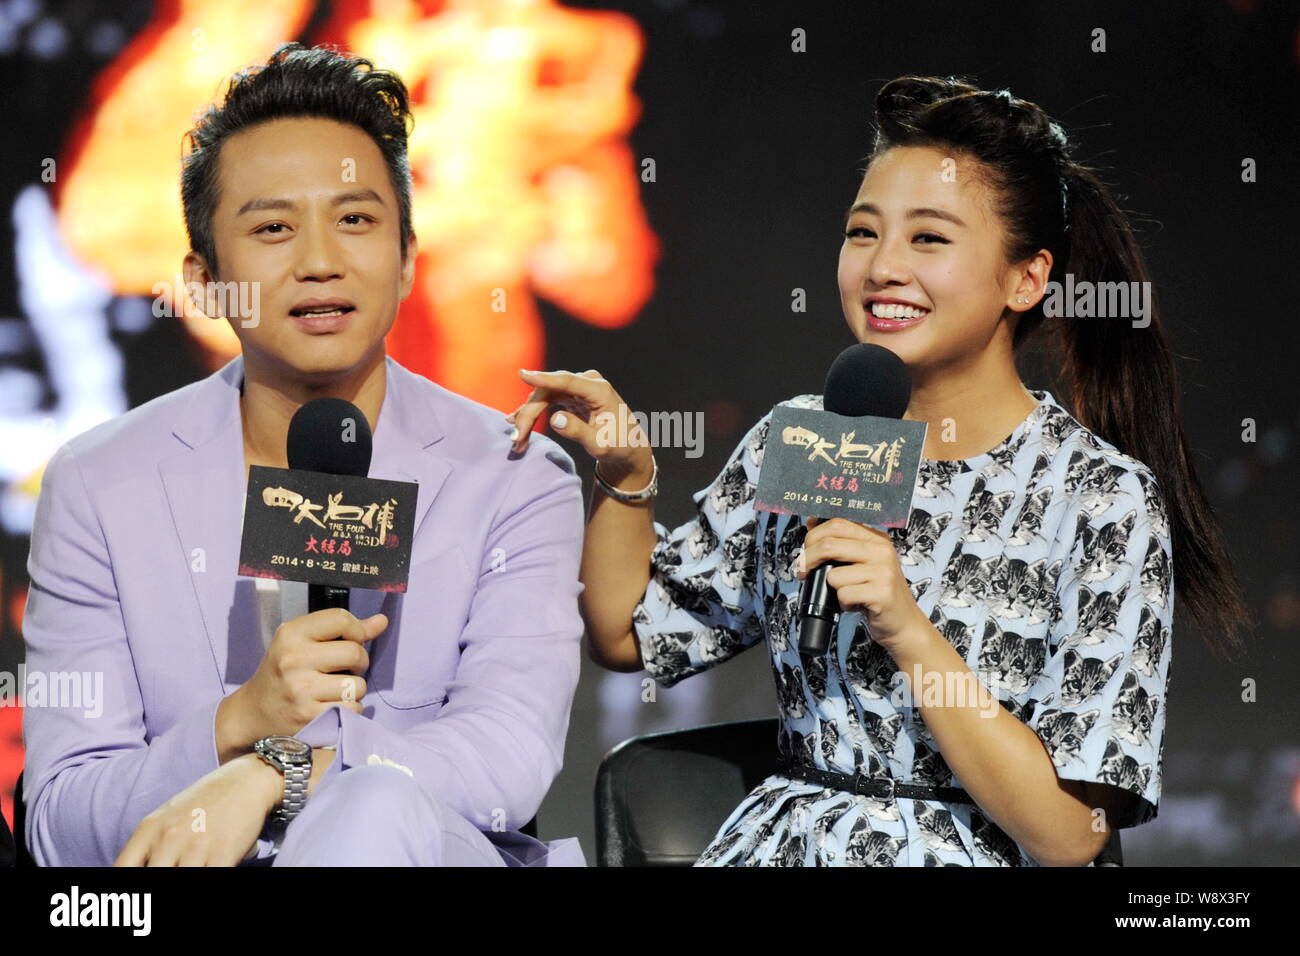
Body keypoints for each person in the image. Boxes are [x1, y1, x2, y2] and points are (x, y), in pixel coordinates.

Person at [508, 75, 1251, 866]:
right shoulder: (804, 436)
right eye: (863, 233)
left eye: (927, 239)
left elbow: (1072, 835)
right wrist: (627, 474)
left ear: (1025, 278)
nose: (883, 266)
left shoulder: (1102, 498)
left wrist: (906, 627)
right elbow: (633, 636)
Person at [21, 42, 587, 867]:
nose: (320, 261)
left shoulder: (513, 476)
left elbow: (508, 760)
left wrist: (278, 777)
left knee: (376, 802)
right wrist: (238, 725)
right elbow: (61, 824)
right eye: (274, 228)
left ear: (405, 260)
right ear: (205, 282)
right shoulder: (100, 483)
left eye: (355, 220)